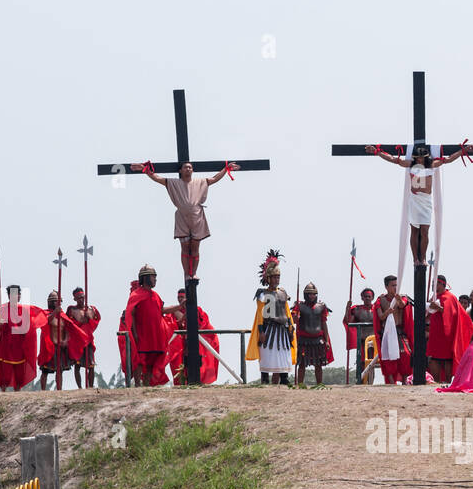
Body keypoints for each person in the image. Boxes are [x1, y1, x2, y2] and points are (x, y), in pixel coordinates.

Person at [364, 142, 473, 267]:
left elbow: (449, 159)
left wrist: (464, 150)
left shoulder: (432, 165)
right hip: (415, 199)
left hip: (426, 201)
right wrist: (377, 152)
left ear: (426, 157)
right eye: (418, 157)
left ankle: (422, 257)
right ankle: (415, 259)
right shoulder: (410, 165)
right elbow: (393, 160)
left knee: (424, 231)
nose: (420, 159)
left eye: (422, 158)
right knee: (414, 230)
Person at [130, 160, 240, 279]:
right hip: (182, 217)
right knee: (185, 247)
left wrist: (226, 169)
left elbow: (214, 178)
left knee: (195, 247)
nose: (188, 169)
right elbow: (157, 178)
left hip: (197, 216)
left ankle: (194, 273)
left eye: (190, 167)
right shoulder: (174, 183)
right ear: (180, 171)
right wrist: (144, 169)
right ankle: (187, 274)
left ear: (192, 170)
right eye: (185, 167)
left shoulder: (200, 182)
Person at [0, 286, 49, 392]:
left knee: (19, 376)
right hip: (6, 348)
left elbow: (31, 325)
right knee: (5, 377)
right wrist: (0, 323)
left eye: (19, 294)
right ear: (9, 296)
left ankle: (18, 393)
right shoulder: (1, 310)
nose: (18, 296)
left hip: (20, 347)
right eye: (15, 294)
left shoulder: (24, 310)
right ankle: (3, 393)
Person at [247, 255, 295, 386]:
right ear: (268, 278)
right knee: (268, 356)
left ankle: (284, 379)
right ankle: (265, 379)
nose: (276, 279)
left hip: (283, 328)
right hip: (269, 329)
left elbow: (287, 311)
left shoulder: (283, 293)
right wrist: (261, 331)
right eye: (274, 277)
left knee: (283, 355)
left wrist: (291, 327)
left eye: (278, 277)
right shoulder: (263, 294)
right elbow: (260, 315)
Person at [123, 265, 170, 387]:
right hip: (142, 333)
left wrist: (179, 307)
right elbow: (131, 313)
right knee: (139, 360)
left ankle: (147, 385)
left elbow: (162, 310)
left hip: (154, 334)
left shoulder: (155, 295)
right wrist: (135, 333)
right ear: (145, 278)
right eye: (153, 277)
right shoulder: (136, 295)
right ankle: (138, 384)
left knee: (151, 361)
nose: (155, 279)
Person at [164, 287, 220, 385]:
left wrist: (182, 315)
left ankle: (195, 382)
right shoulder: (175, 310)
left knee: (198, 364)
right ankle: (182, 384)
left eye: (182, 297)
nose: (180, 299)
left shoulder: (197, 310)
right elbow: (172, 326)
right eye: (178, 297)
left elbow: (200, 325)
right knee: (178, 365)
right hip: (181, 344)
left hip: (196, 342)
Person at [427, 274, 473, 383]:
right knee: (433, 358)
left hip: (446, 335)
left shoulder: (449, 297)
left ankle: (448, 381)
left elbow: (450, 312)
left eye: (436, 284)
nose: (434, 286)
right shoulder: (434, 297)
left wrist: (438, 307)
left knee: (447, 359)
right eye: (433, 284)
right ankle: (436, 382)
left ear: (442, 284)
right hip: (435, 333)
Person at [38, 291, 89, 390]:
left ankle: (59, 389)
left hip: (60, 345)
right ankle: (43, 390)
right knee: (45, 370)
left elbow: (68, 328)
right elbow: (45, 322)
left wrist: (65, 340)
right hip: (49, 345)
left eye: (57, 301)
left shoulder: (62, 315)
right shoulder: (45, 313)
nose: (56, 303)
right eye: (54, 301)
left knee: (59, 370)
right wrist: (54, 312)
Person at [374, 275, 414, 385]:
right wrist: (387, 312)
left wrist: (398, 299)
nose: (395, 287)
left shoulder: (402, 297)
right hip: (387, 333)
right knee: (388, 358)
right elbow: (381, 317)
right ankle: (392, 383)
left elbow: (402, 305)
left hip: (400, 332)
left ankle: (405, 381)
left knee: (406, 355)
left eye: (396, 285)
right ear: (386, 286)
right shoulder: (380, 300)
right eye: (393, 285)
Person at [294, 283, 333, 386]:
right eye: (310, 294)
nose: (312, 296)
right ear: (305, 295)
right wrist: (296, 316)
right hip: (304, 340)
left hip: (318, 339)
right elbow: (294, 320)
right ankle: (300, 385)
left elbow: (324, 323)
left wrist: (327, 340)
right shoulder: (299, 306)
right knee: (302, 364)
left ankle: (319, 384)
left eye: (314, 294)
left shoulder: (321, 306)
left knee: (318, 364)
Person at [66, 286, 101, 388]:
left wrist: (89, 316)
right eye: (79, 298)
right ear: (75, 299)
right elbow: (68, 323)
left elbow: (96, 319)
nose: (81, 299)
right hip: (77, 341)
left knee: (91, 365)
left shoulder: (90, 309)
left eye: (82, 297)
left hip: (88, 339)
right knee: (77, 365)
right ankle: (80, 387)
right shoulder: (71, 310)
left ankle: (90, 386)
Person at [344, 286, 375, 384]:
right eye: (365, 296)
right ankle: (361, 381)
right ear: (362, 298)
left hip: (373, 341)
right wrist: (347, 309)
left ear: (372, 297)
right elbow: (349, 321)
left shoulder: (377, 309)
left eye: (369, 296)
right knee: (361, 362)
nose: (367, 298)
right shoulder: (357, 310)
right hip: (361, 341)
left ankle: (370, 382)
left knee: (372, 362)